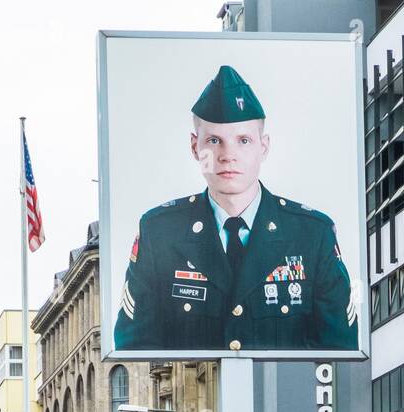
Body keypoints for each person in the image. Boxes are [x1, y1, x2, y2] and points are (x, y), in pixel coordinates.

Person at [114, 65, 358, 355]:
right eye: (214, 141)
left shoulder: (311, 234)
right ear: (195, 147)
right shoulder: (160, 232)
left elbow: (339, 351)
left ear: (263, 147)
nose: (228, 155)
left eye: (243, 141)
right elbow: (135, 348)